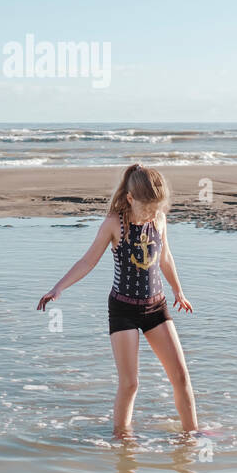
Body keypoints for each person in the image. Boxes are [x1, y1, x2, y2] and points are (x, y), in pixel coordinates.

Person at [38, 162, 198, 436]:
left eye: (157, 208)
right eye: (147, 208)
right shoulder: (113, 224)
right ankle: (122, 441)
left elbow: (165, 259)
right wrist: (58, 287)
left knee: (181, 377)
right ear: (130, 198)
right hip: (123, 309)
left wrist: (178, 291)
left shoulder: (158, 219)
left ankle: (192, 435)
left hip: (156, 307)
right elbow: (88, 261)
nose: (152, 214)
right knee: (130, 383)